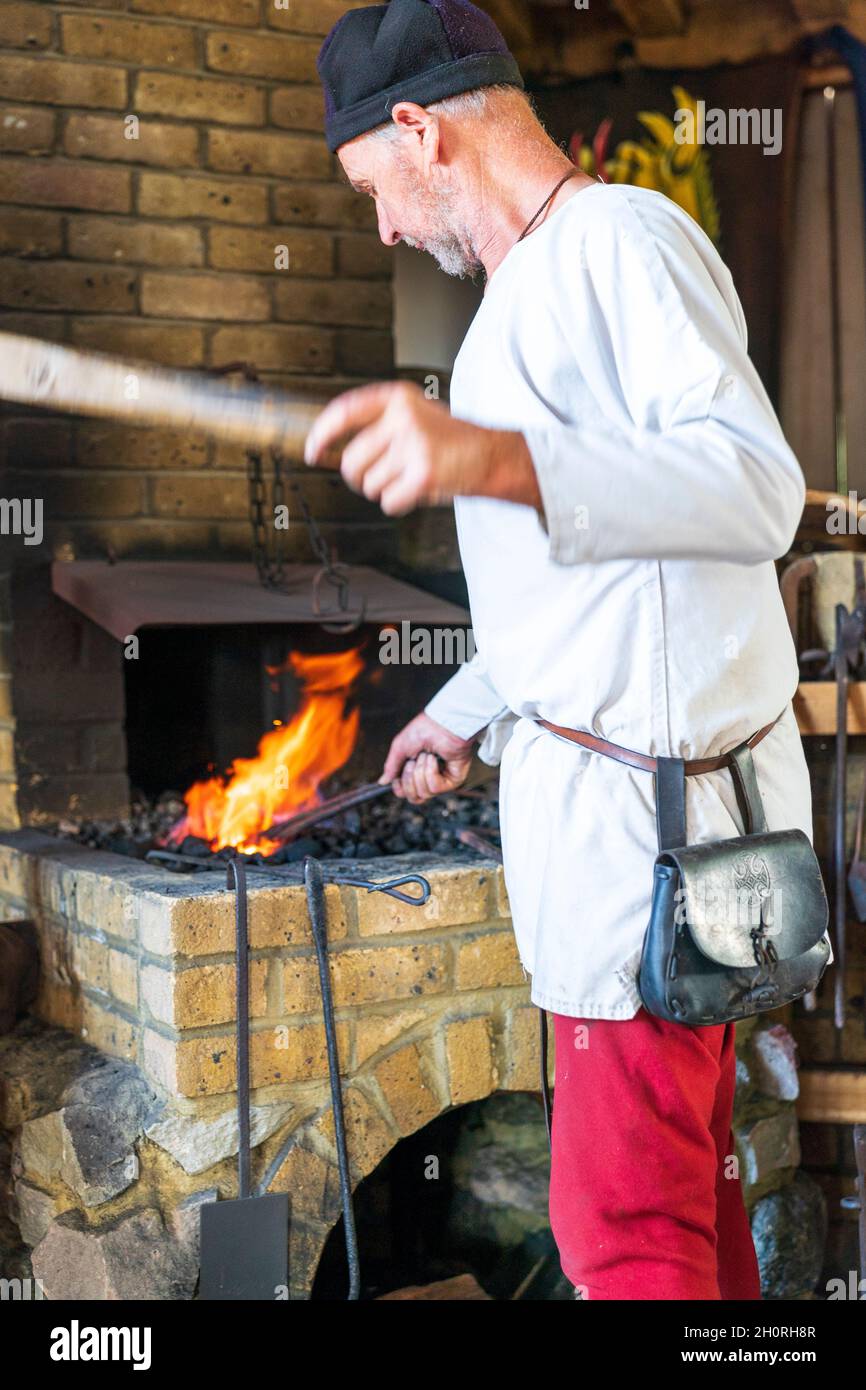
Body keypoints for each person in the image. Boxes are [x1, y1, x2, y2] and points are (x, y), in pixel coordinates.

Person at [305, 0, 810, 1300]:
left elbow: (756, 490)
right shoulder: (523, 298)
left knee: (623, 1242)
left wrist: (481, 455)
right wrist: (464, 707)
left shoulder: (616, 245)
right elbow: (596, 585)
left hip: (645, 857)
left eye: (374, 186)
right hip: (645, 849)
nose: (384, 226)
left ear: (418, 129)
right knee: (686, 1208)